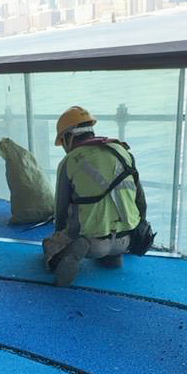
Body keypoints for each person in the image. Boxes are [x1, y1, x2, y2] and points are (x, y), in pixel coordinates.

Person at [48, 105, 147, 287]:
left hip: (91, 243)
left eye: (63, 142)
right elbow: (140, 198)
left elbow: (61, 208)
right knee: (111, 245)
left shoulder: (69, 161)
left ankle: (70, 263)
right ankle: (113, 257)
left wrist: (59, 237)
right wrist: (140, 225)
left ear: (69, 137)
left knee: (51, 249)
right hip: (127, 240)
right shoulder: (122, 151)